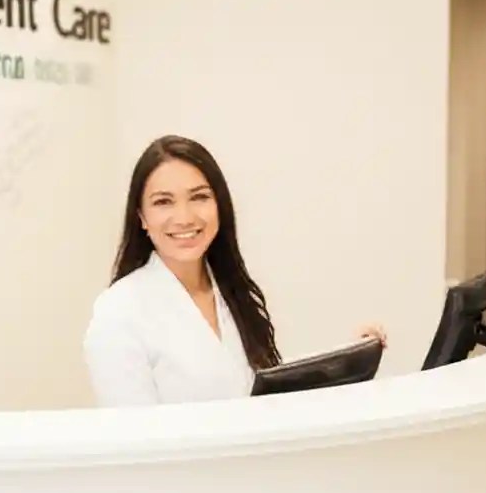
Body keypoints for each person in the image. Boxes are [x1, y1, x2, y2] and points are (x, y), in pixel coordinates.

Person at [83, 135, 385, 407]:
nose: (184, 217)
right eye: (163, 202)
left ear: (220, 206)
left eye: (199, 197)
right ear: (142, 218)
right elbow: (134, 443)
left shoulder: (231, 291)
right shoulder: (118, 312)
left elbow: (256, 391)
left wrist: (348, 360)